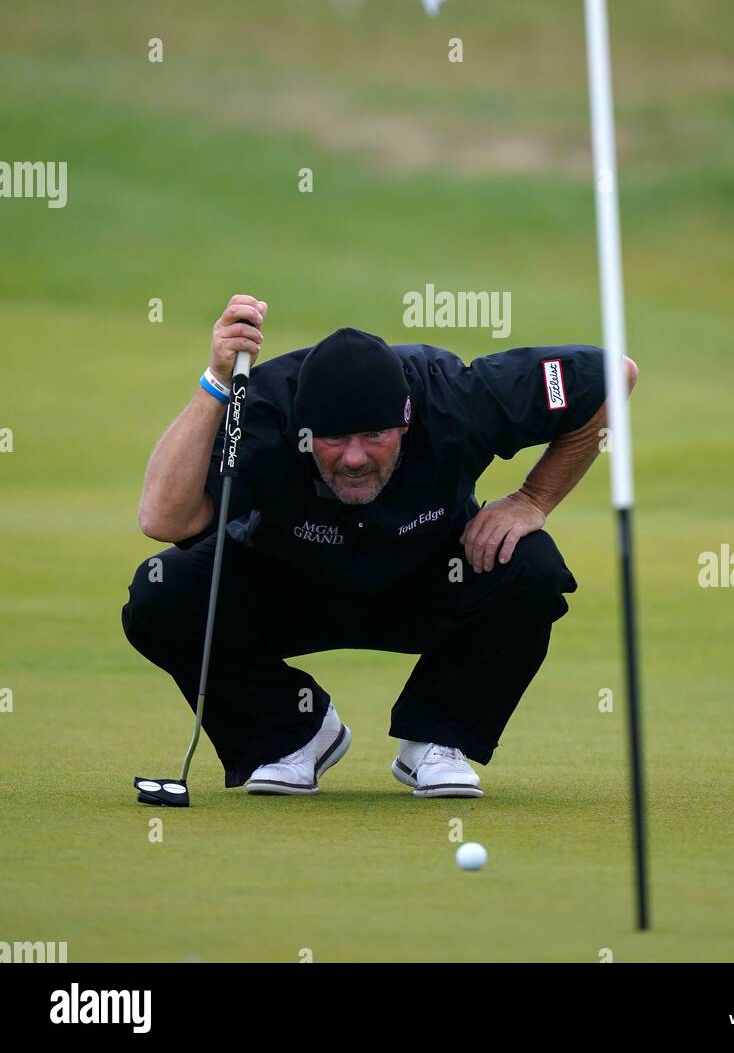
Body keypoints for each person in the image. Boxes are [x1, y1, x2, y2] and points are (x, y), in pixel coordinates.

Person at [123, 294, 637, 799]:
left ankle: (437, 738)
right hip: (285, 586)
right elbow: (163, 518)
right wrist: (215, 382)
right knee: (158, 592)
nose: (353, 458)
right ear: (302, 428)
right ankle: (288, 735)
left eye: (374, 434)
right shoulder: (260, 411)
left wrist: (533, 499)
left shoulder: (457, 397)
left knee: (533, 566)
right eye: (332, 439)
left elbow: (616, 375)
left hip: (428, 584)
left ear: (407, 420)